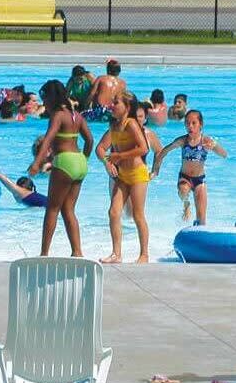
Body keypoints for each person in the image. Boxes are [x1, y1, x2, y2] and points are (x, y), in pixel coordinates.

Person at [30, 80, 94, 257]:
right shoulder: (77, 115)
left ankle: (44, 254)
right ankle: (77, 251)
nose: (44, 104)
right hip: (80, 163)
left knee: (52, 208)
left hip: (64, 162)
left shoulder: (58, 115)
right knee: (69, 210)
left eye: (45, 99)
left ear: (53, 98)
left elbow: (48, 139)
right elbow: (89, 140)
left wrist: (37, 163)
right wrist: (84, 159)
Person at [95, 92, 150, 263]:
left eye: (116, 103)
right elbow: (100, 148)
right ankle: (116, 254)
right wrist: (107, 163)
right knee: (113, 213)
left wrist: (120, 156)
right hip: (122, 175)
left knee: (138, 215)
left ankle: (144, 254)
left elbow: (143, 149)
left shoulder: (131, 124)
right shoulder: (114, 125)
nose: (112, 105)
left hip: (137, 175)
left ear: (127, 107)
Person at [152, 109, 228, 225]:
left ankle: (200, 235)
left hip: (200, 179)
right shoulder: (182, 141)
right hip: (185, 178)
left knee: (201, 218)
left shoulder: (205, 141)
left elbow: (224, 154)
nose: (190, 126)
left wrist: (215, 146)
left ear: (200, 125)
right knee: (183, 191)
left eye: (193, 123)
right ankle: (186, 204)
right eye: (187, 123)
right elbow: (163, 152)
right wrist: (156, 170)